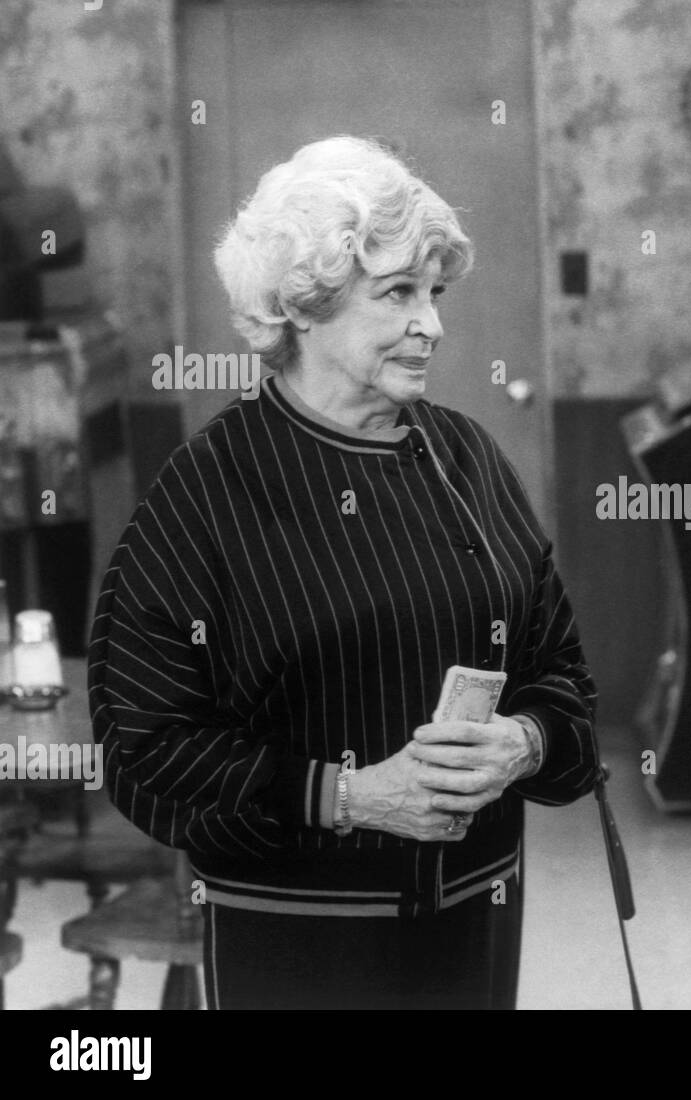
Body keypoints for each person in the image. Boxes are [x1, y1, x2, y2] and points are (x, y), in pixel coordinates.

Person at [87, 136, 599, 1009]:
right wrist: (352, 796)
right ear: (304, 306)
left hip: (475, 925)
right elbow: (146, 751)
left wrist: (526, 745)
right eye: (398, 293)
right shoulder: (208, 489)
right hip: (297, 943)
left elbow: (565, 684)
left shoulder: (467, 455)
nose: (431, 323)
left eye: (433, 293)